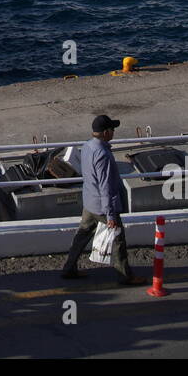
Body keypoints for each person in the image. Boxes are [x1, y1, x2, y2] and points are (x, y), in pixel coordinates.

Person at [61, 115, 140, 285]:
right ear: (105, 133)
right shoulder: (103, 154)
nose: (113, 132)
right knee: (118, 238)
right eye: (112, 129)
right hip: (103, 206)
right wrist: (110, 215)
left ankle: (69, 268)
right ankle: (125, 275)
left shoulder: (87, 146)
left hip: (89, 201)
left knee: (82, 235)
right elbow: (106, 186)